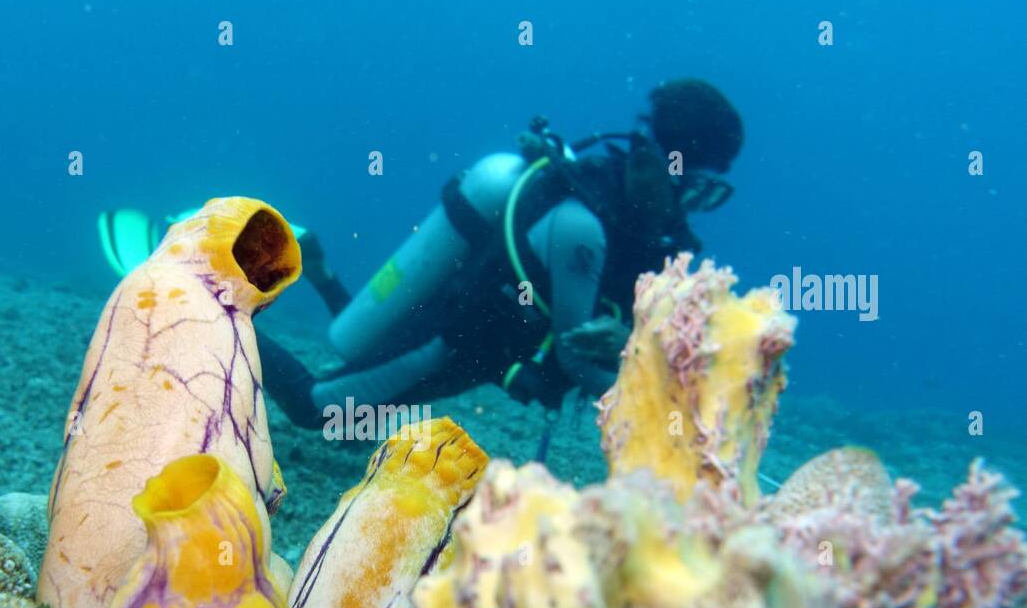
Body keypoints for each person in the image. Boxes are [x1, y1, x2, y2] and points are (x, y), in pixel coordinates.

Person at [98, 78, 744, 428]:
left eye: (707, 192)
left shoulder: (634, 232)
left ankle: (314, 267)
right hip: (462, 337)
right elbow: (578, 353)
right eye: (691, 183)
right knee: (319, 412)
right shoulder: (585, 228)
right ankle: (194, 289)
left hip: (476, 344)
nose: (689, 206)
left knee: (350, 356)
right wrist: (666, 404)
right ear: (656, 161)